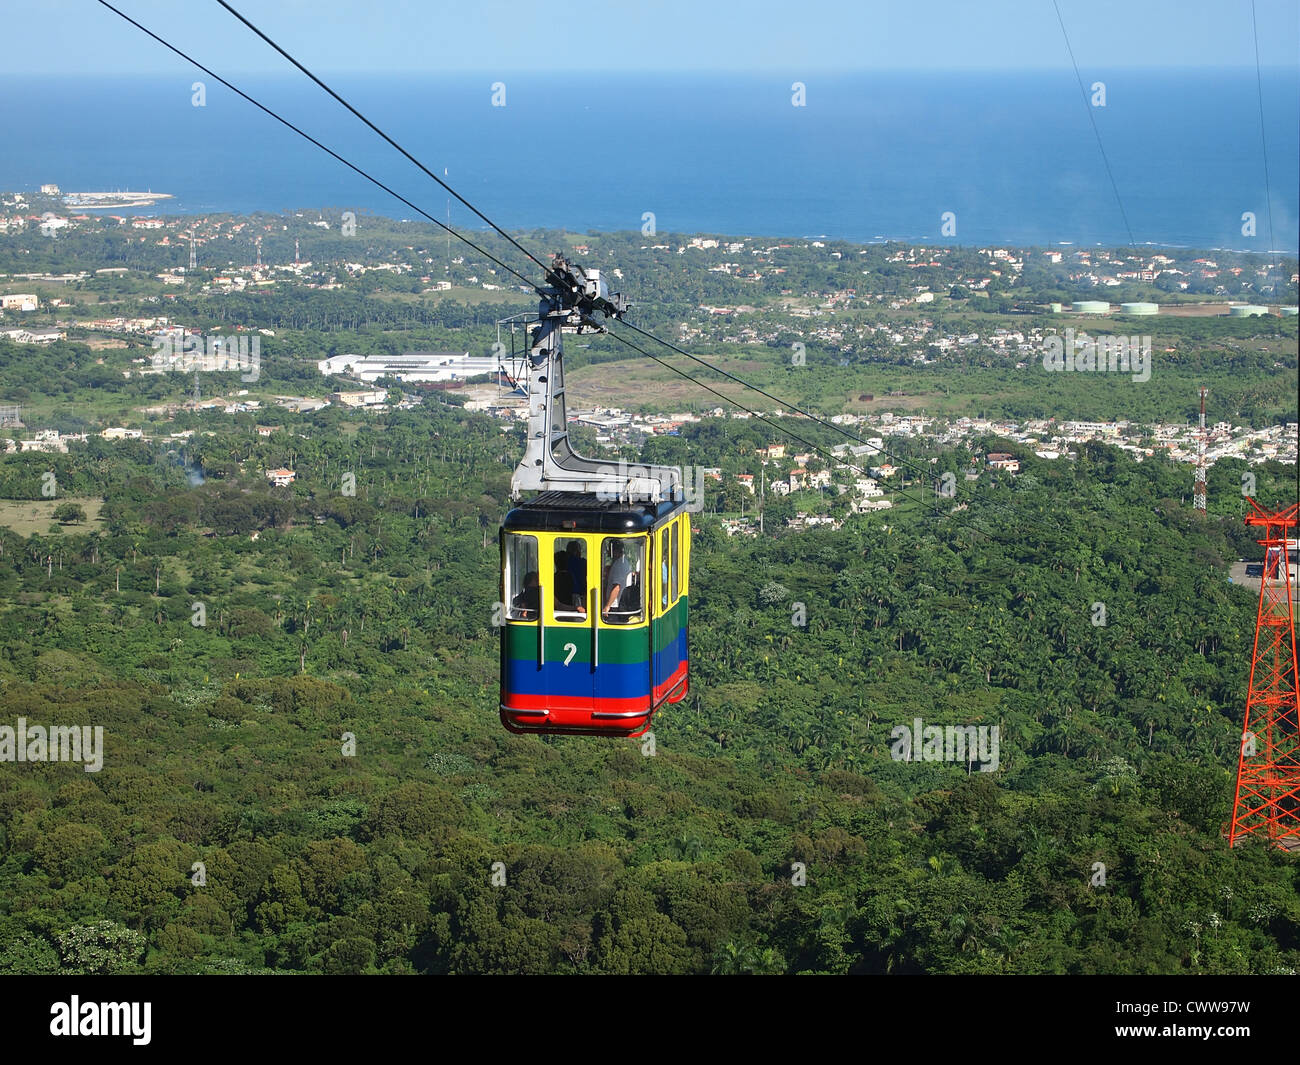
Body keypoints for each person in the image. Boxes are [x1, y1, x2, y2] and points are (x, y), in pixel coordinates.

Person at [603, 540, 632, 621]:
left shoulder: (619, 565)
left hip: (615, 606)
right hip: (620, 604)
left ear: (614, 551)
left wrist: (607, 606)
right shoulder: (624, 562)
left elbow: (617, 587)